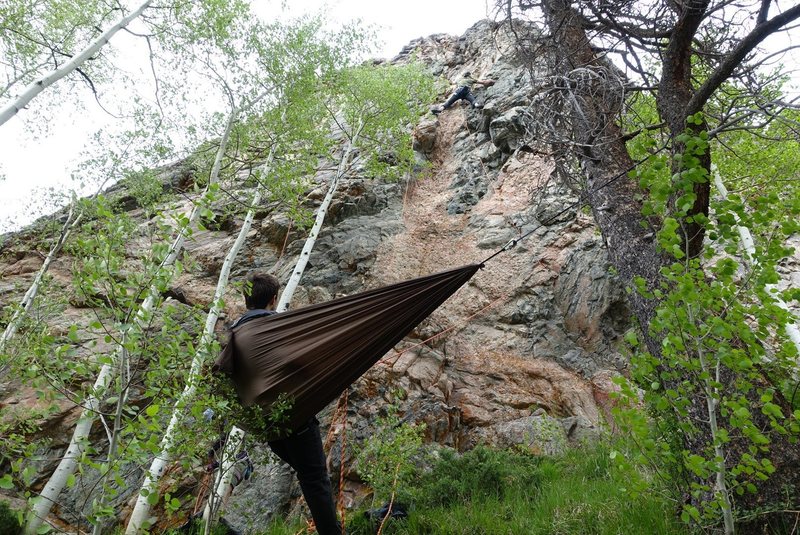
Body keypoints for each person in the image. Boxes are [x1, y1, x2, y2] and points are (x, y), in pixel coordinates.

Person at [215, 272, 343, 535]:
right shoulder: (279, 328)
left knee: (308, 475)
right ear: (273, 299)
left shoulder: (237, 335)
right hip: (295, 419)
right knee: (315, 478)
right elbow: (303, 364)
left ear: (246, 299)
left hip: (266, 427)